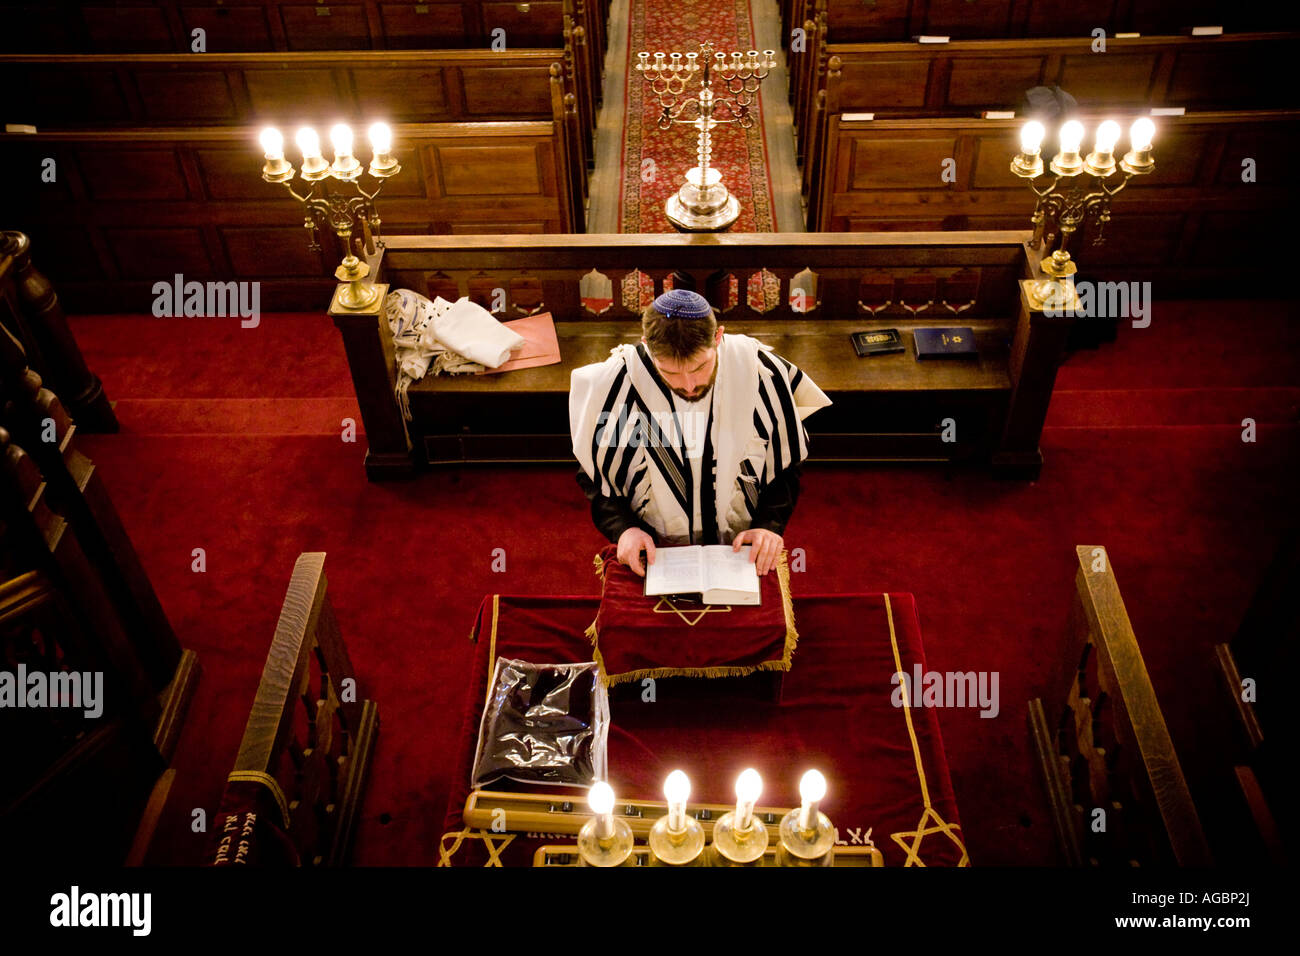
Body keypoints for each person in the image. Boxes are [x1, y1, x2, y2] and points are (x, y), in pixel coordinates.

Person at [569, 288, 831, 577]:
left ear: (718, 337)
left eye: (700, 367)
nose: (689, 385)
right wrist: (625, 529)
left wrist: (769, 526)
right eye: (670, 373)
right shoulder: (620, 383)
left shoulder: (760, 372)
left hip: (740, 549)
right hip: (655, 548)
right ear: (646, 345)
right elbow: (595, 474)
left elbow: (785, 460)